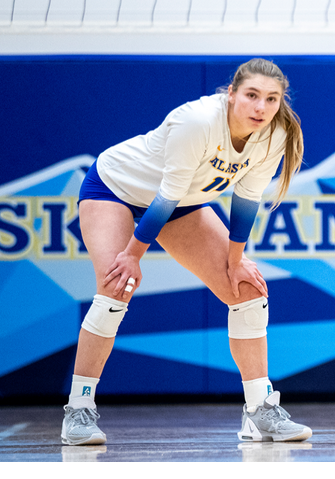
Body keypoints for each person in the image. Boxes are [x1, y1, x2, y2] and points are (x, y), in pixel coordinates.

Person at [61, 58, 311, 445]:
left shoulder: (275, 134)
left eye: (271, 99)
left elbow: (246, 199)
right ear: (232, 94)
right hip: (117, 189)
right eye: (252, 96)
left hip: (182, 203)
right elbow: (167, 194)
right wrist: (132, 255)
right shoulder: (197, 122)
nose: (261, 107)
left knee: (247, 291)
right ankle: (78, 411)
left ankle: (259, 411)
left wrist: (235, 262)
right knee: (116, 285)